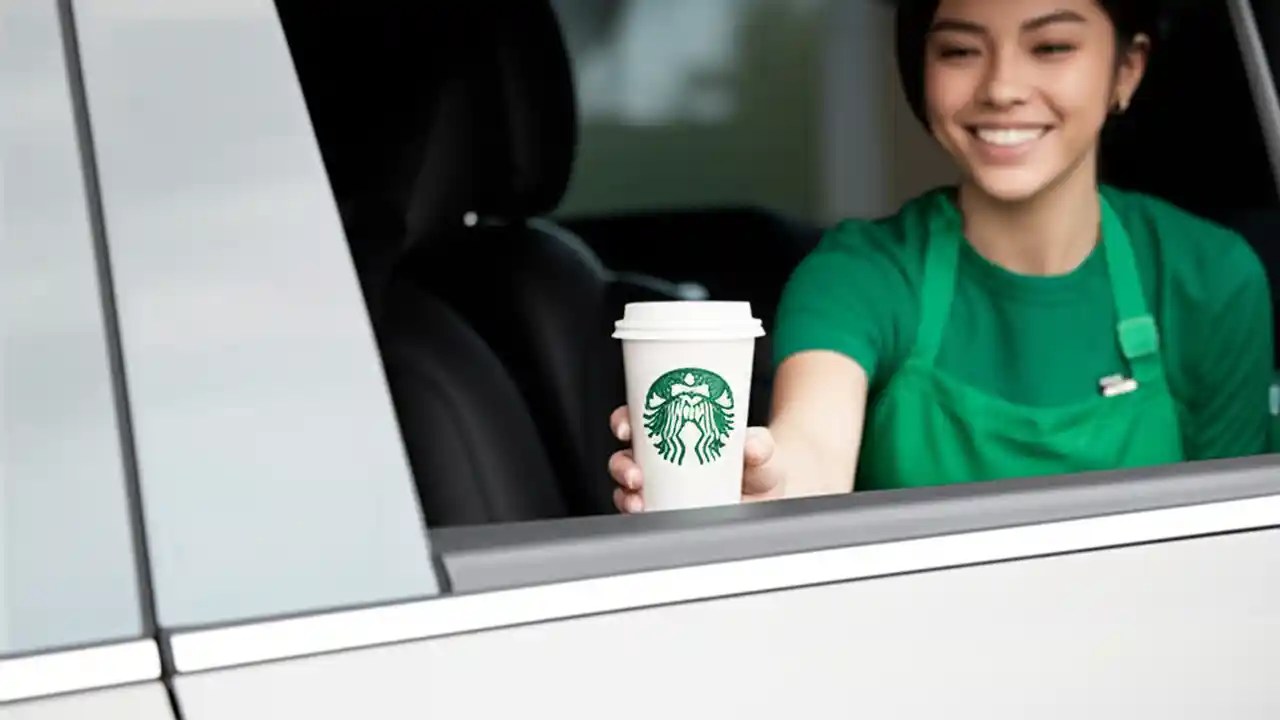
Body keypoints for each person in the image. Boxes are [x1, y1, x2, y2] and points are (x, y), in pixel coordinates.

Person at [608, 0, 1275, 513]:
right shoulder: (860, 274)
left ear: (1126, 70)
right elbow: (811, 448)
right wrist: (764, 486)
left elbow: (1233, 544)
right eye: (960, 50)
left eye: (1051, 46)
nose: (1002, 87)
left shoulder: (1210, 278)